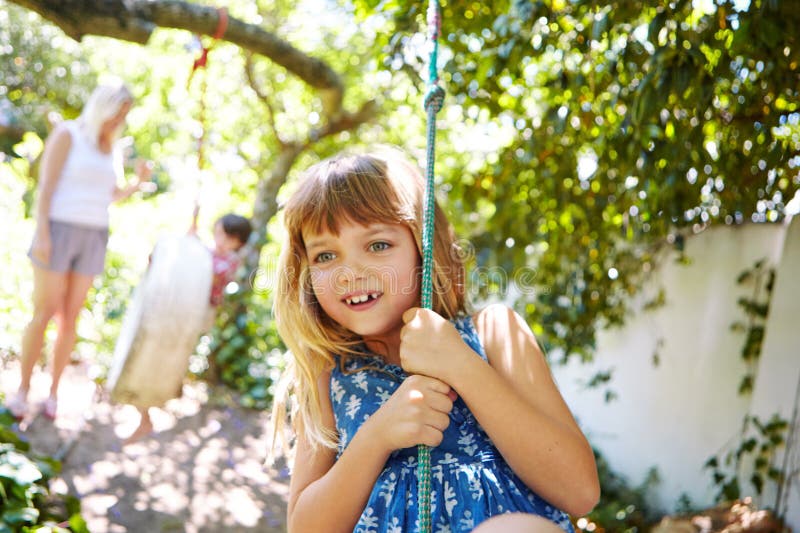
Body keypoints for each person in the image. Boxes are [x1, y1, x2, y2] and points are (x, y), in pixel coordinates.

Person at [271, 149, 600, 532]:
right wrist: (376, 436)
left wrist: (459, 364)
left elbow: (580, 492)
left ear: (423, 249)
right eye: (325, 255)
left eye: (378, 245)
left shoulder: (493, 333)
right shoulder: (326, 372)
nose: (350, 273)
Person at [7, 80, 152, 421]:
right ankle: (23, 390)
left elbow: (110, 195)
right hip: (57, 229)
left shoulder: (110, 148)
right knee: (43, 313)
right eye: (118, 112)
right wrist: (43, 233)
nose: (120, 120)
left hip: (93, 234)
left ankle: (53, 394)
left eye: (125, 115)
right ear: (105, 106)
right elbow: (46, 188)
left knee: (69, 319)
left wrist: (136, 181)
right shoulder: (68, 135)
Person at [123, 209, 252, 444]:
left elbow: (201, 271)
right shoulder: (209, 255)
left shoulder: (227, 263)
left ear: (237, 241)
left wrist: (190, 247)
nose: (219, 240)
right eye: (217, 234)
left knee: (167, 360)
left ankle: (154, 406)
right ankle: (146, 412)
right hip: (177, 315)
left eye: (224, 236)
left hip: (192, 319)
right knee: (154, 358)